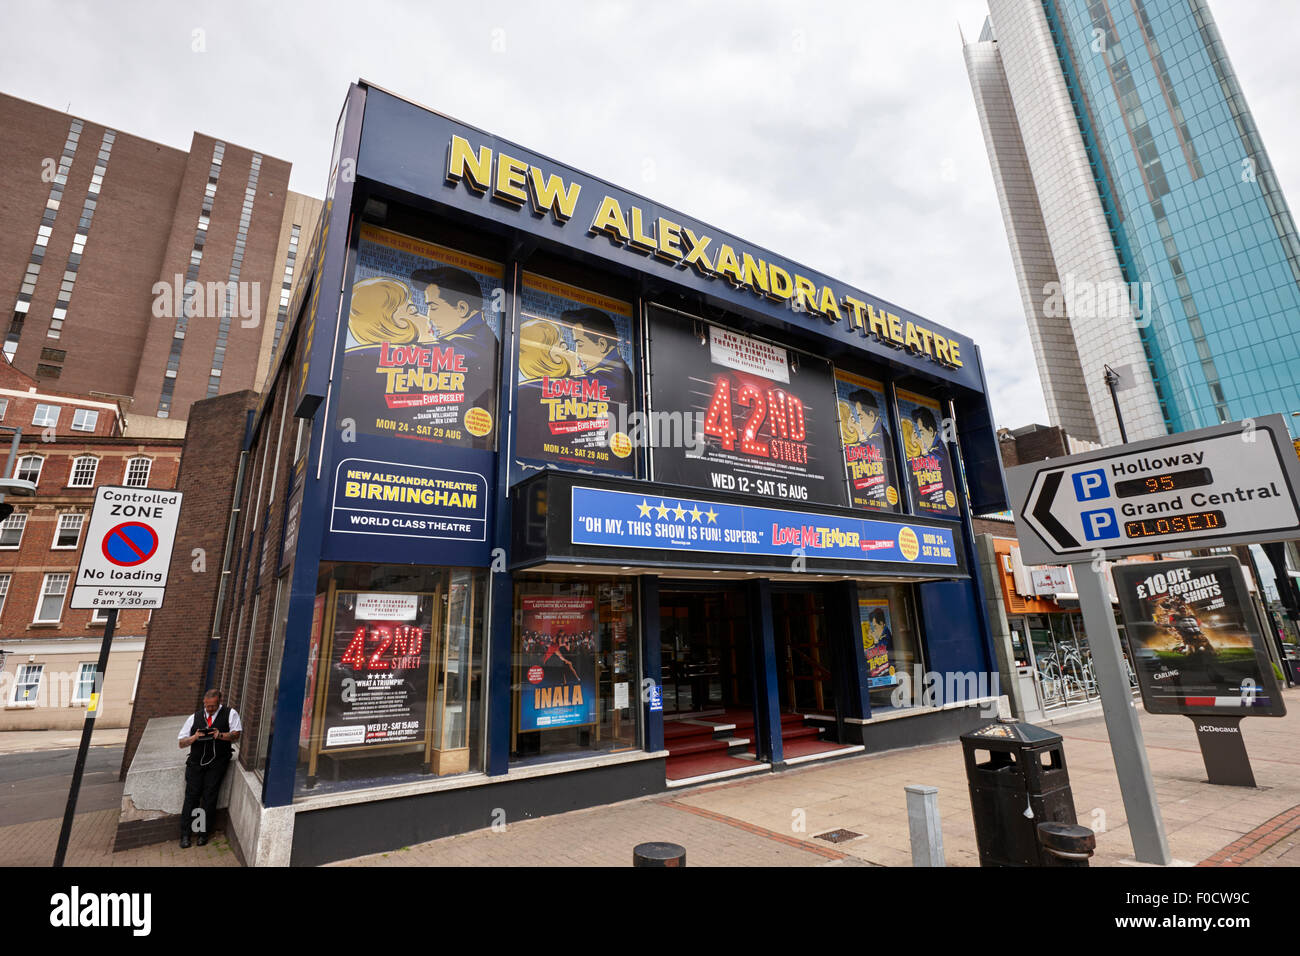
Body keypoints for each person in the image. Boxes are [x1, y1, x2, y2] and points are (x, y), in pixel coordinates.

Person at [177, 689, 241, 848]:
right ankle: (186, 834)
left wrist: (220, 735)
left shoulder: (230, 714)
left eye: (212, 706)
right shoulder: (195, 717)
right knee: (191, 797)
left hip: (217, 763)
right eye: (207, 706)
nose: (209, 709)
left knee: (209, 797)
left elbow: (236, 734)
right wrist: (195, 737)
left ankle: (202, 833)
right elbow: (181, 742)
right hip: (196, 763)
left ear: (220, 701)